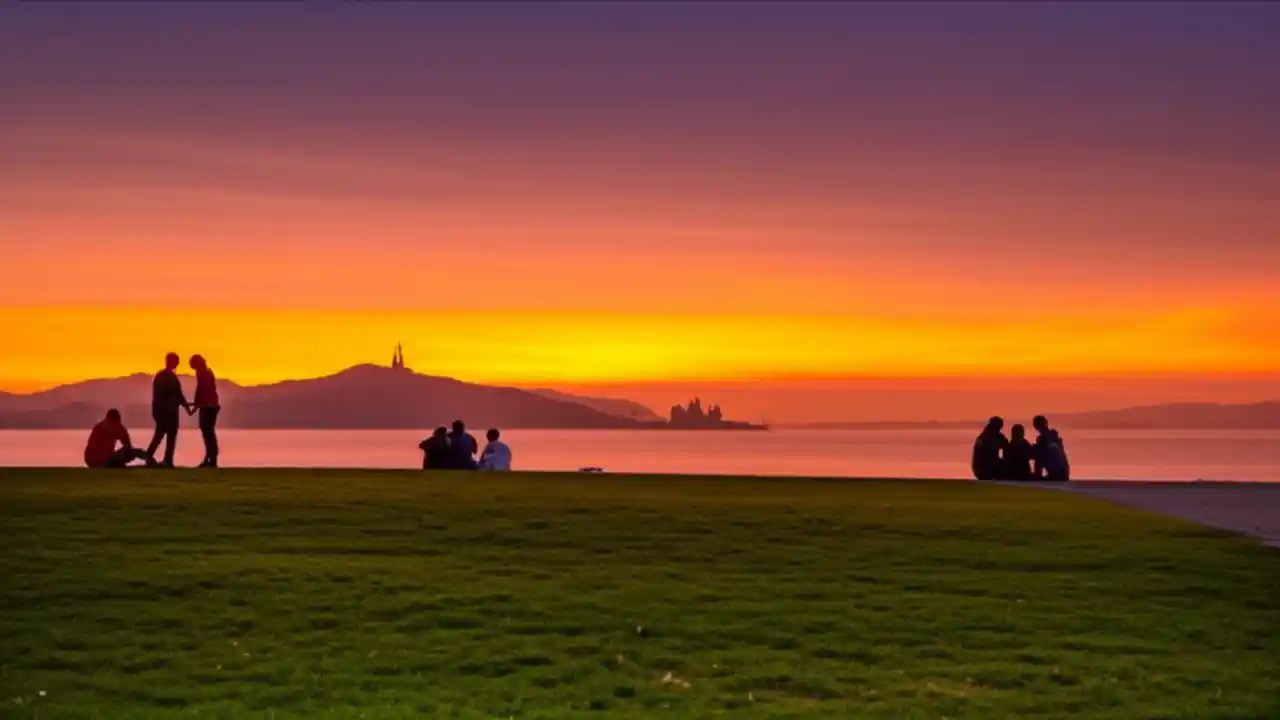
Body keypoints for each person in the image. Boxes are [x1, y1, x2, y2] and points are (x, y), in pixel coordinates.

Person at [146, 352, 190, 467]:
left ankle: (164, 459)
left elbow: (177, 395)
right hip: (167, 412)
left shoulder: (165, 376)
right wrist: (185, 406)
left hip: (167, 411)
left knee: (166, 436)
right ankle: (152, 457)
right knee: (163, 435)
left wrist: (186, 407)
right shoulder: (166, 377)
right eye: (176, 362)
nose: (177, 364)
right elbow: (177, 395)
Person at [84, 408, 154, 468]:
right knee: (132, 452)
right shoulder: (116, 427)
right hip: (102, 461)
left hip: (92, 460)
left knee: (126, 453)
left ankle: (148, 460)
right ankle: (151, 461)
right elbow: (128, 446)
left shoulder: (99, 426)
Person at [188, 354, 221, 468]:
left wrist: (196, 405)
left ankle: (211, 459)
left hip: (208, 406)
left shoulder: (202, 374)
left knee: (208, 433)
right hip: (211, 405)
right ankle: (210, 458)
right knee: (209, 433)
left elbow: (201, 391)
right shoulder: (208, 372)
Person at [1032, 415, 1071, 481]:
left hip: (1058, 475)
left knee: (1037, 455)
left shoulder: (1044, 438)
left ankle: (1038, 476)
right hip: (1064, 473)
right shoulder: (1055, 437)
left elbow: (1038, 453)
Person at [971, 415, 1008, 481]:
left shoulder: (986, 436)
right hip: (983, 469)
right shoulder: (987, 437)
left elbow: (1006, 447)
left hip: (981, 469)